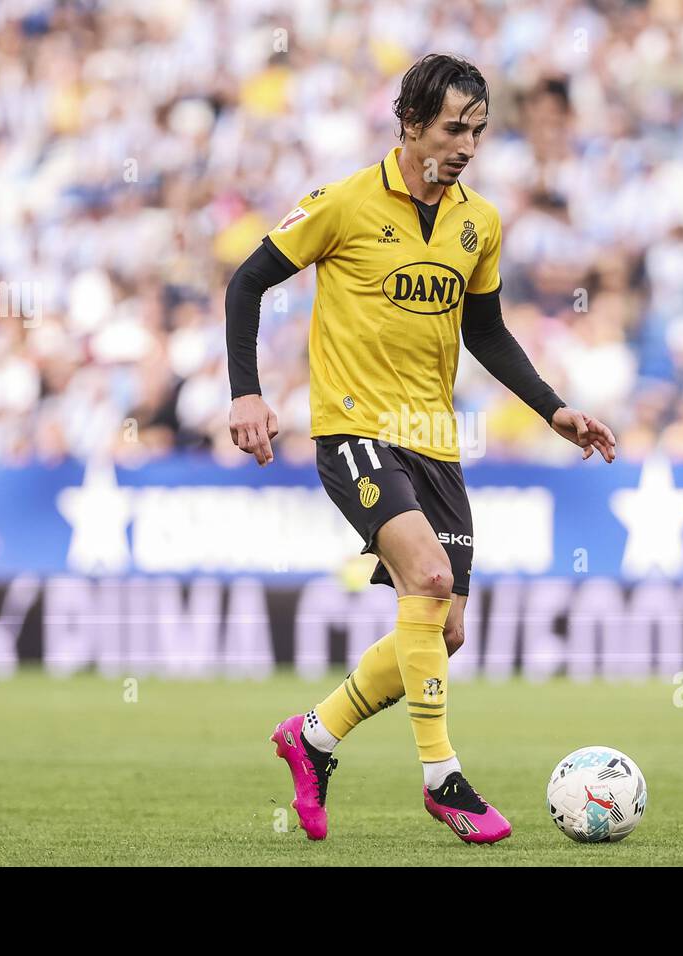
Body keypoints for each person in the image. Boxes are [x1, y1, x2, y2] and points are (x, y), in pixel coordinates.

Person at [224, 53, 616, 844]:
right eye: (452, 127)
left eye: (478, 127)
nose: (468, 143)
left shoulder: (480, 221)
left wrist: (553, 410)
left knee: (442, 631)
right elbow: (246, 283)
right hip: (354, 428)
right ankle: (444, 781)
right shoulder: (342, 203)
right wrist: (246, 391)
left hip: (437, 441)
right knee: (429, 577)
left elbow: (486, 332)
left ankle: (314, 735)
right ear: (410, 124)